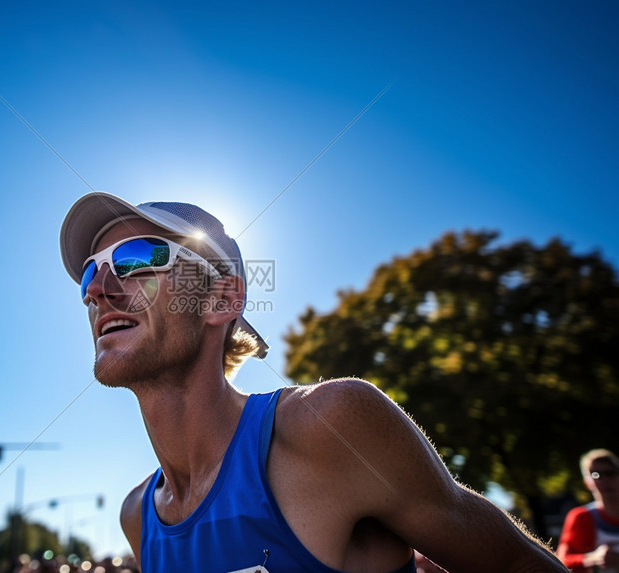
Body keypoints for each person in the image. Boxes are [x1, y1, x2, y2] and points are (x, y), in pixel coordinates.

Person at [59, 192, 566, 573]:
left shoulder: (330, 425)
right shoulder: (138, 519)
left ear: (220, 300)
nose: (99, 291)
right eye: (89, 274)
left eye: (137, 259)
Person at [558, 448, 619, 572]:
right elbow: (561, 560)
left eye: (609, 473)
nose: (603, 480)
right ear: (587, 482)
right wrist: (593, 559)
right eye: (595, 474)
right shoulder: (581, 517)